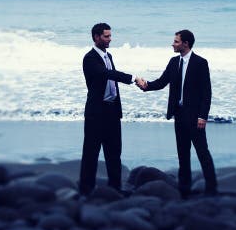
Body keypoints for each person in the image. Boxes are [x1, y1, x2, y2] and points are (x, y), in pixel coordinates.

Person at [136, 29, 217, 197]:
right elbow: (161, 82)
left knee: (203, 153)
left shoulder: (200, 63)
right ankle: (184, 189)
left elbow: (206, 92)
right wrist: (146, 86)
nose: (173, 44)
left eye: (176, 41)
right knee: (182, 154)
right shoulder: (174, 62)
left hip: (195, 117)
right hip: (179, 114)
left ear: (185, 43)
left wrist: (203, 116)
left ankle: (212, 189)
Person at [79, 22, 135, 196]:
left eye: (110, 36)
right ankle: (86, 190)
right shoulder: (89, 58)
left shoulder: (108, 55)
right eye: (106, 36)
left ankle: (115, 188)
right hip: (96, 112)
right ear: (96, 37)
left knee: (114, 152)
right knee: (91, 153)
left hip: (111, 111)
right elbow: (106, 74)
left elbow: (111, 79)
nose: (110, 39)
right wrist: (132, 78)